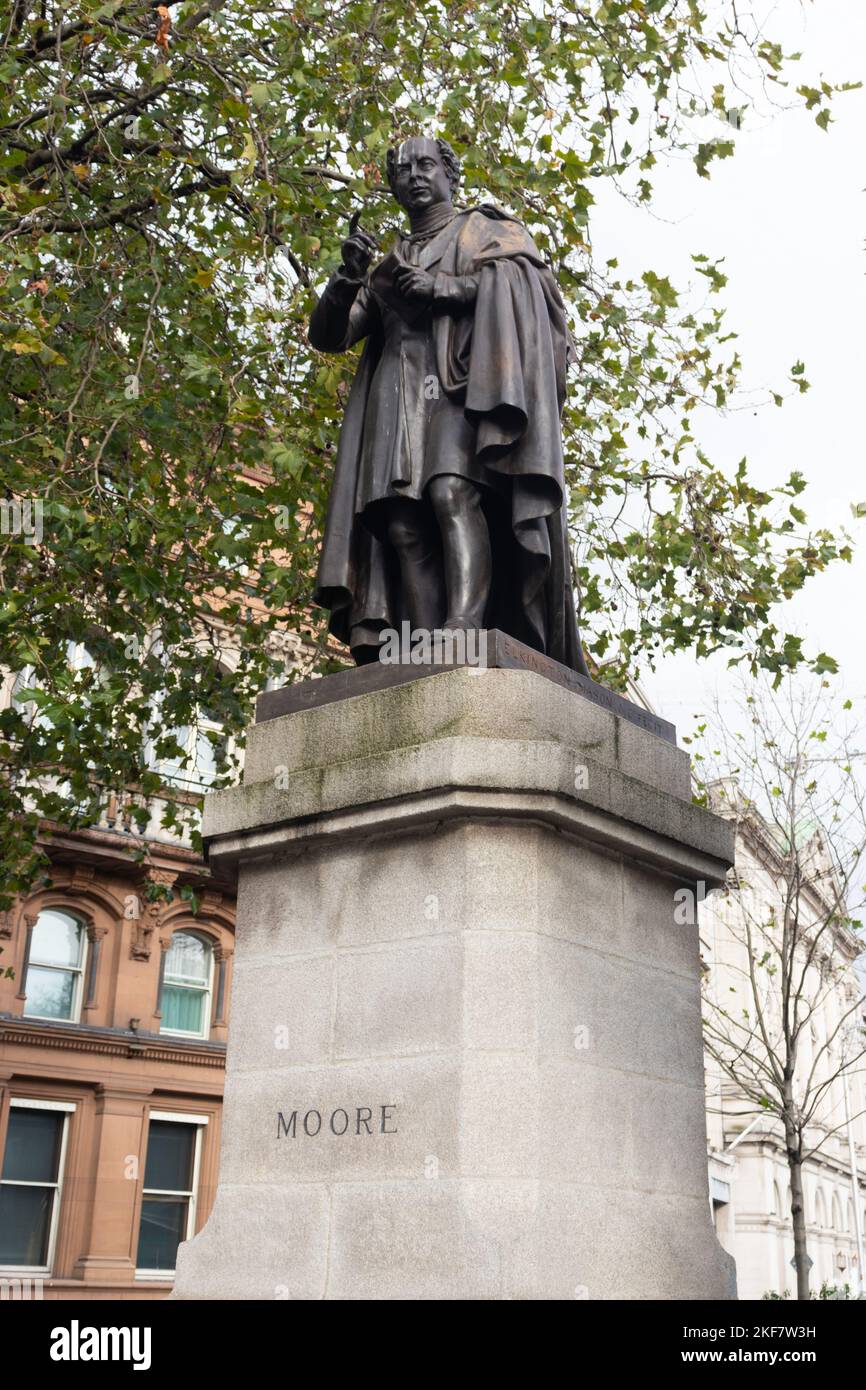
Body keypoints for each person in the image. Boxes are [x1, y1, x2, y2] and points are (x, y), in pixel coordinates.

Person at [309, 134, 589, 674]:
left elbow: (527, 293)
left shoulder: (485, 229)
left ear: (449, 173)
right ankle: (422, 641)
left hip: (464, 387)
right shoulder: (390, 261)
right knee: (402, 524)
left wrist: (445, 290)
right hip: (397, 396)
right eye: (402, 169)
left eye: (425, 164)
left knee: (451, 491)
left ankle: (464, 623)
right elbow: (332, 336)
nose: (414, 175)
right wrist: (347, 278)